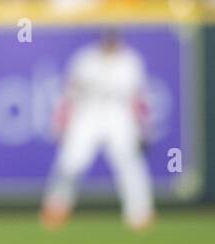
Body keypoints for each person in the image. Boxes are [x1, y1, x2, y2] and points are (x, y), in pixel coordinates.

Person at [40, 29, 155, 231]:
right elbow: (68, 95)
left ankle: (140, 213)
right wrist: (60, 123)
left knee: (129, 164)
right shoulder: (85, 60)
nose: (110, 44)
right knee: (71, 162)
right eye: (108, 40)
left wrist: (145, 128)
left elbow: (139, 98)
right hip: (88, 114)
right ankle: (56, 208)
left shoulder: (130, 61)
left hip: (119, 114)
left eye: (114, 40)